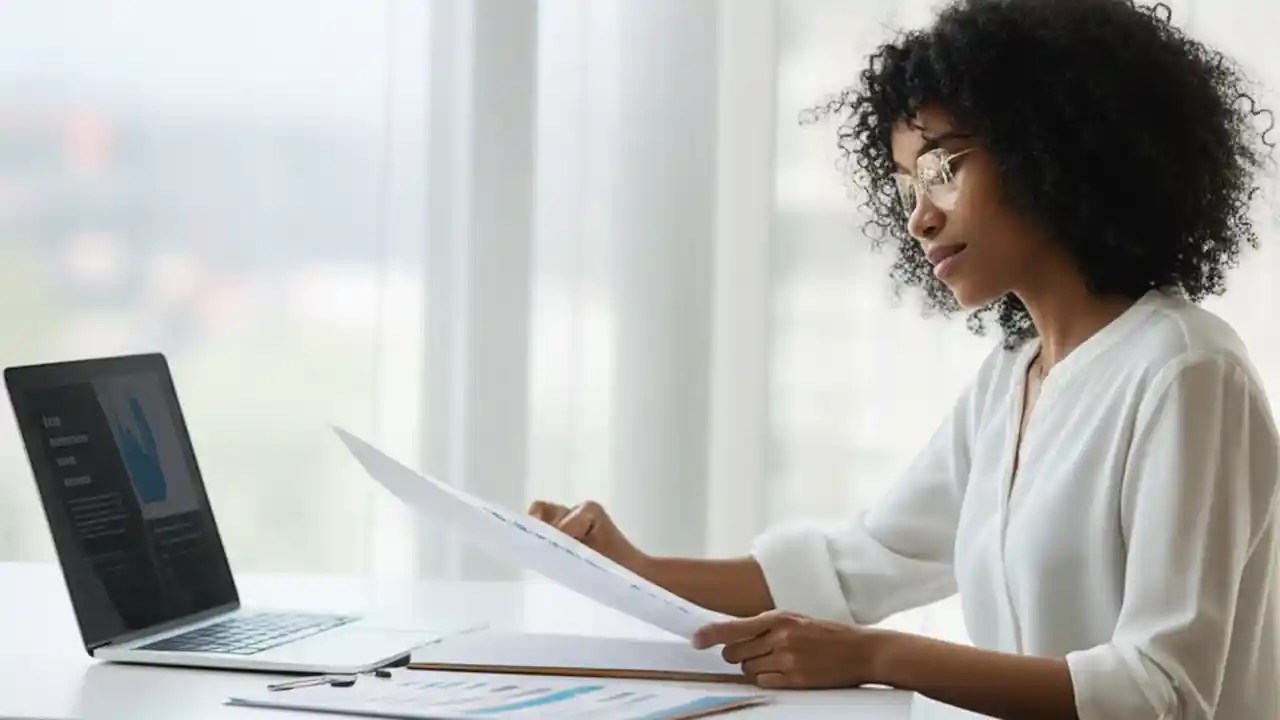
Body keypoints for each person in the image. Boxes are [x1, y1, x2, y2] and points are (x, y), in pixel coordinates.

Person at [530, 1, 1279, 717]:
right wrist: (632, 567)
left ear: (1055, 146)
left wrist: (880, 656)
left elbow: (1161, 689)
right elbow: (855, 568)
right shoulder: (1011, 383)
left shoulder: (1187, 372)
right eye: (905, 185)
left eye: (943, 169)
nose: (919, 218)